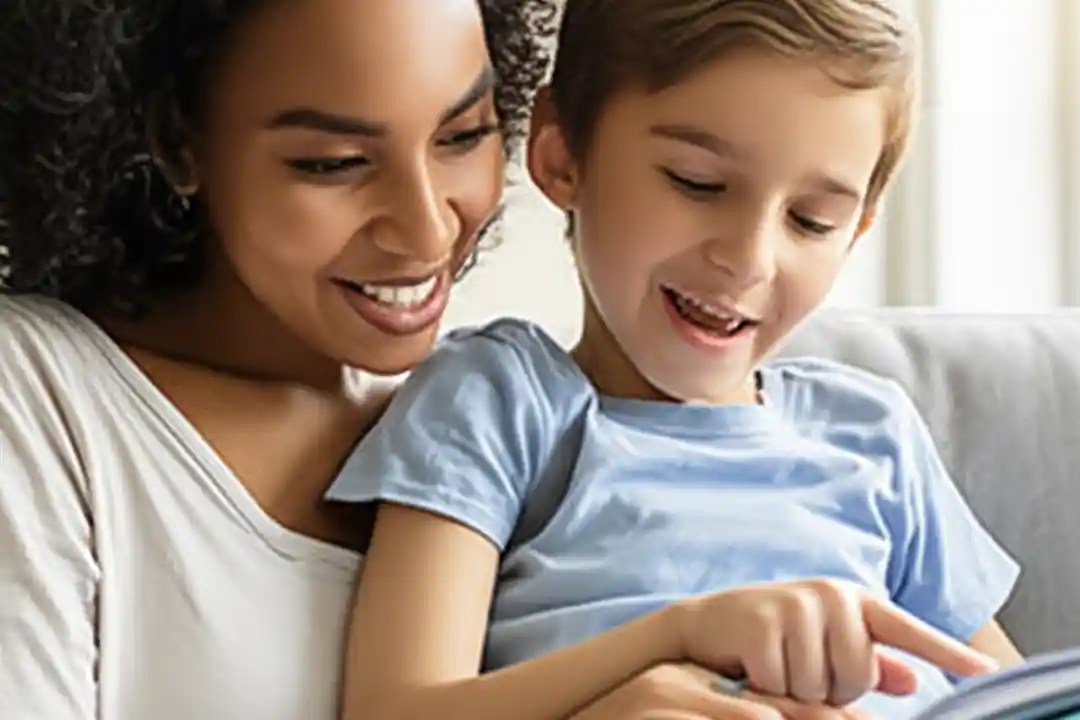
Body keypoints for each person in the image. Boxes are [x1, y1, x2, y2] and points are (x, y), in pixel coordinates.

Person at [328, 0, 1024, 719]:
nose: (748, 259)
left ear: (857, 230)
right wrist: (679, 636)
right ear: (562, 156)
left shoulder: (872, 432)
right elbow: (397, 709)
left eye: (811, 221)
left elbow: (1027, 696)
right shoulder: (498, 402)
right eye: (698, 182)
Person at [0, 1, 561, 717]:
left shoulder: (498, 414)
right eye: (335, 164)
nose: (426, 231)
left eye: (462, 135)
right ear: (177, 141)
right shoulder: (41, 403)